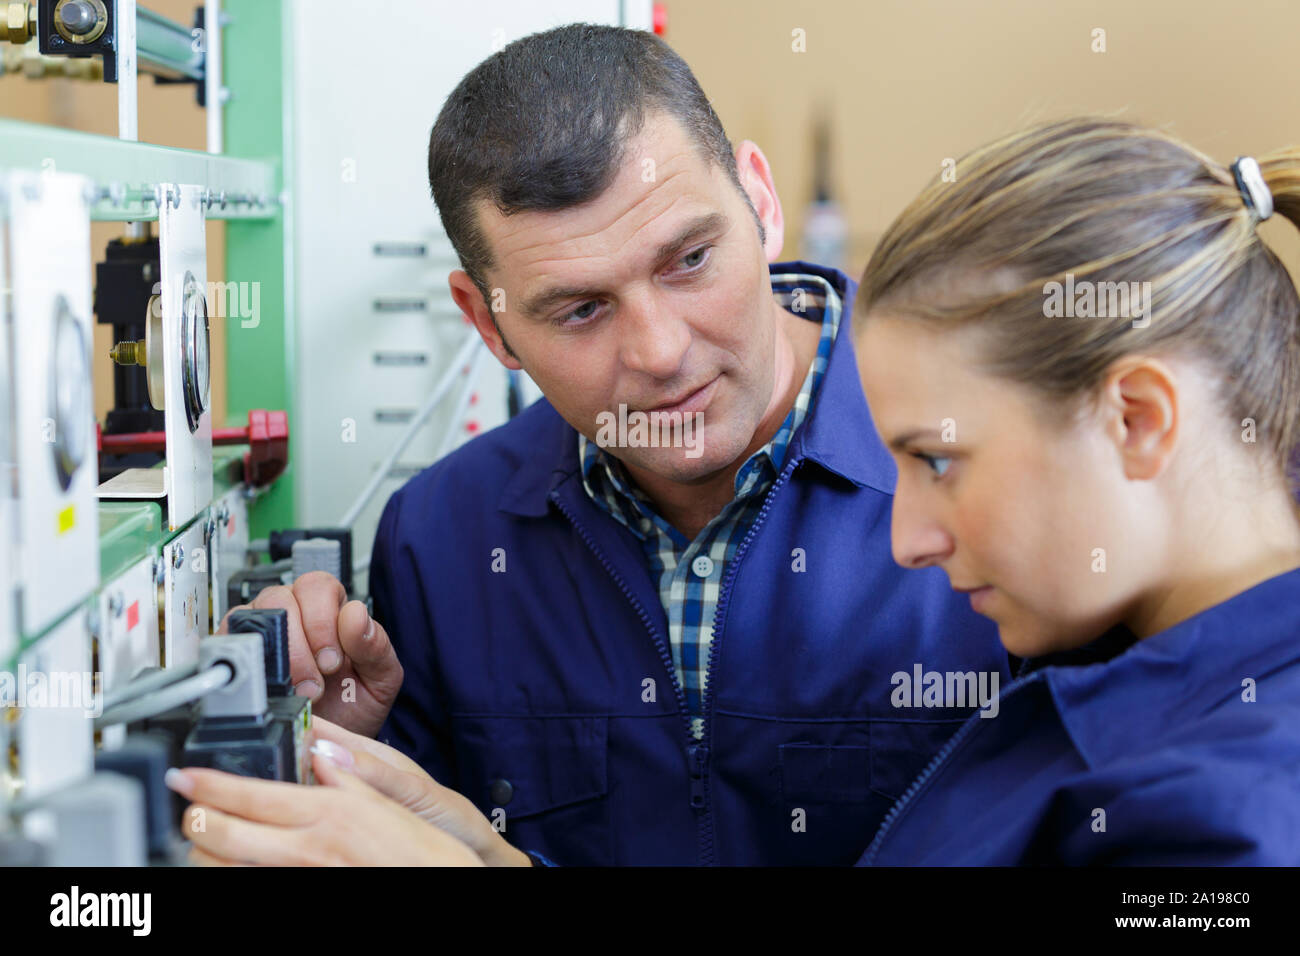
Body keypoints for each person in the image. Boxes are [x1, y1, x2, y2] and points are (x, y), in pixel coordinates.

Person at [164, 23, 1007, 866]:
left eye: (689, 259)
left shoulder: (996, 465)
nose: (660, 351)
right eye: (580, 310)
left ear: (761, 200)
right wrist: (336, 756)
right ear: (488, 322)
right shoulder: (442, 540)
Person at [851, 117, 1300, 864]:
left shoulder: (1218, 834)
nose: (907, 542)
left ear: (1136, 419)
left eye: (937, 460)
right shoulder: (1111, 644)